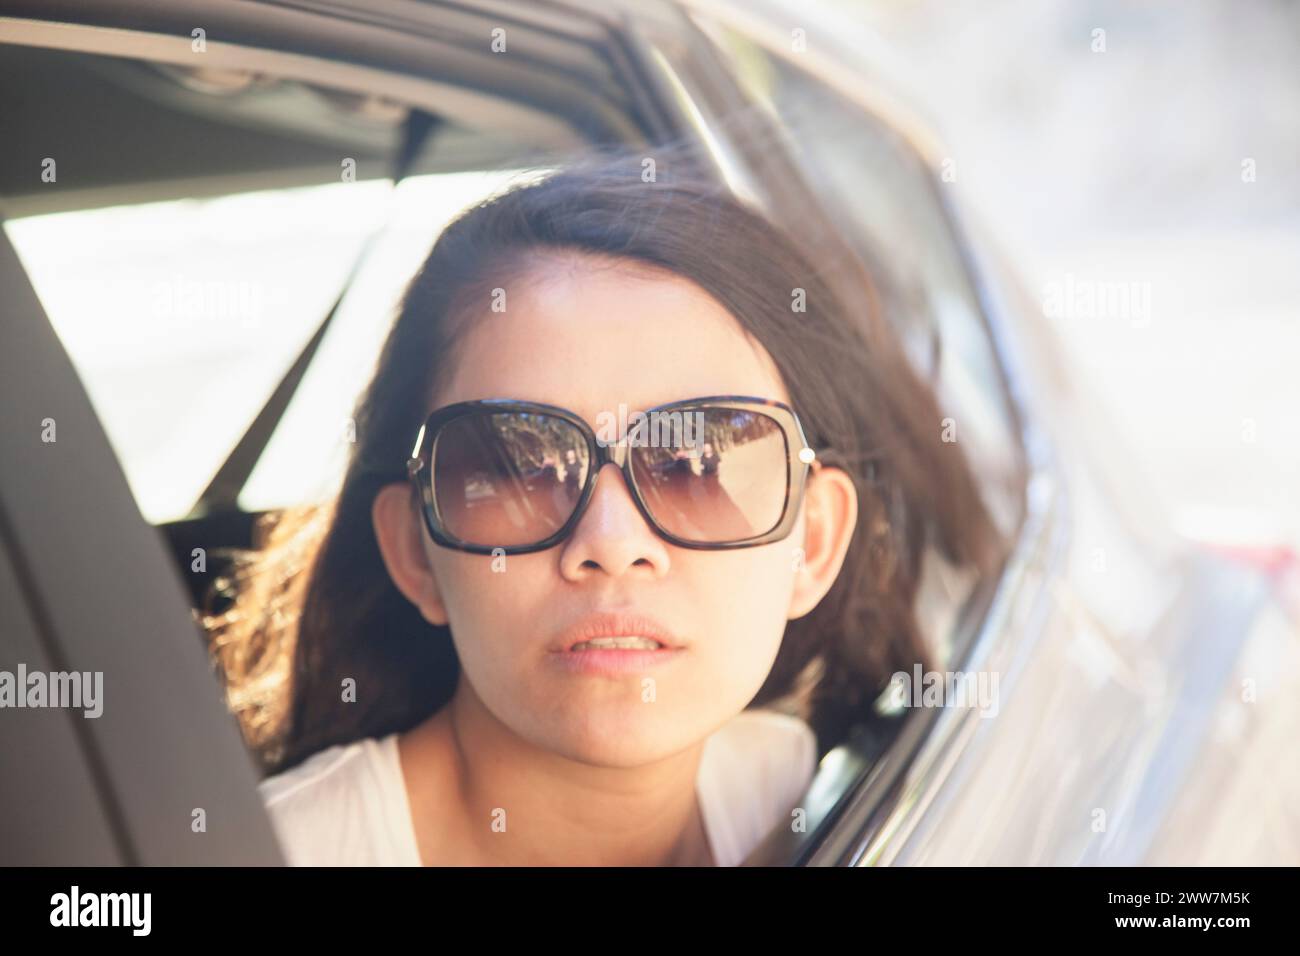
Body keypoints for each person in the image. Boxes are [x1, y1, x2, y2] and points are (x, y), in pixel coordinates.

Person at [204, 148, 996, 866]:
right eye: (519, 465)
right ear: (417, 551)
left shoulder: (792, 791)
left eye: (698, 460)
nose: (612, 542)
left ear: (813, 543)